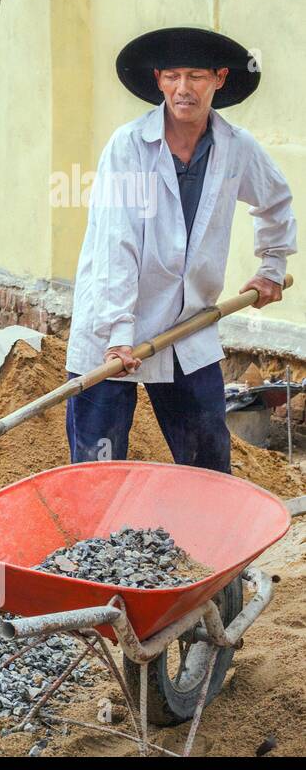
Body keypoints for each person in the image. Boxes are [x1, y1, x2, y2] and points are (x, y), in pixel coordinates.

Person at [66, 27, 297, 472]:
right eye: (172, 76)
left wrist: (271, 265)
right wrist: (117, 336)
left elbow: (276, 200)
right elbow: (118, 243)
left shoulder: (236, 148)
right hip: (113, 328)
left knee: (207, 458)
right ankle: (92, 539)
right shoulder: (129, 147)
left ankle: (210, 539)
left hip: (187, 327)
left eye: (196, 76)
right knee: (98, 462)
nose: (183, 89)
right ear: (158, 81)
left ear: (220, 79)